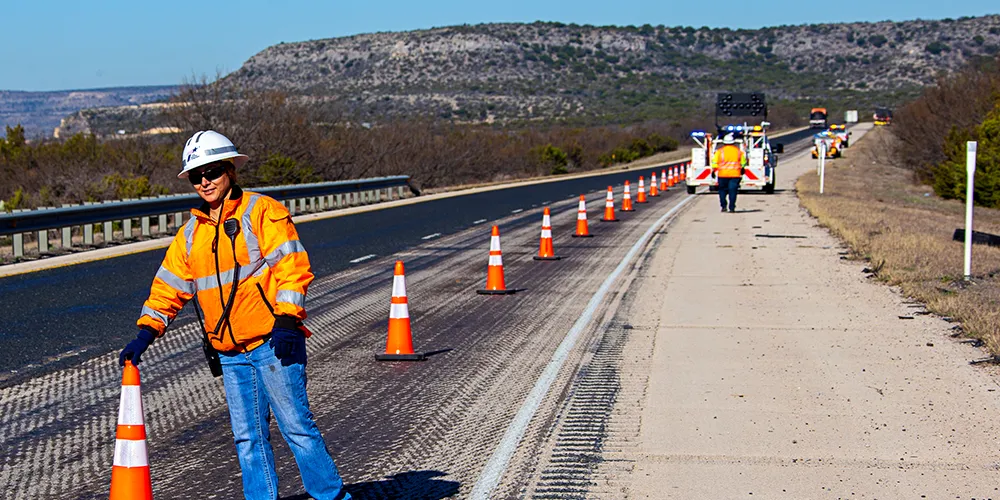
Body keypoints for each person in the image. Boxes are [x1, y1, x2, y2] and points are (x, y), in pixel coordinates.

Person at [119, 130, 351, 500]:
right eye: (196, 176)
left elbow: (292, 266)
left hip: (272, 344)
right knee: (248, 439)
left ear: (230, 170)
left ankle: (332, 497)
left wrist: (288, 319)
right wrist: (146, 332)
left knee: (297, 429)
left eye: (211, 171)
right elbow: (169, 287)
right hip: (230, 354)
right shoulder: (191, 234)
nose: (205, 182)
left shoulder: (261, 212)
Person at [713, 133, 746, 213]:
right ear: (733, 142)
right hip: (735, 174)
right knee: (733, 191)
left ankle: (724, 206)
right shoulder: (738, 152)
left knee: (722, 191)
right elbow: (743, 162)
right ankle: (732, 207)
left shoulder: (719, 152)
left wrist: (714, 171)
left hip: (723, 174)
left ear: (724, 142)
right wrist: (742, 169)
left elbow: (714, 162)